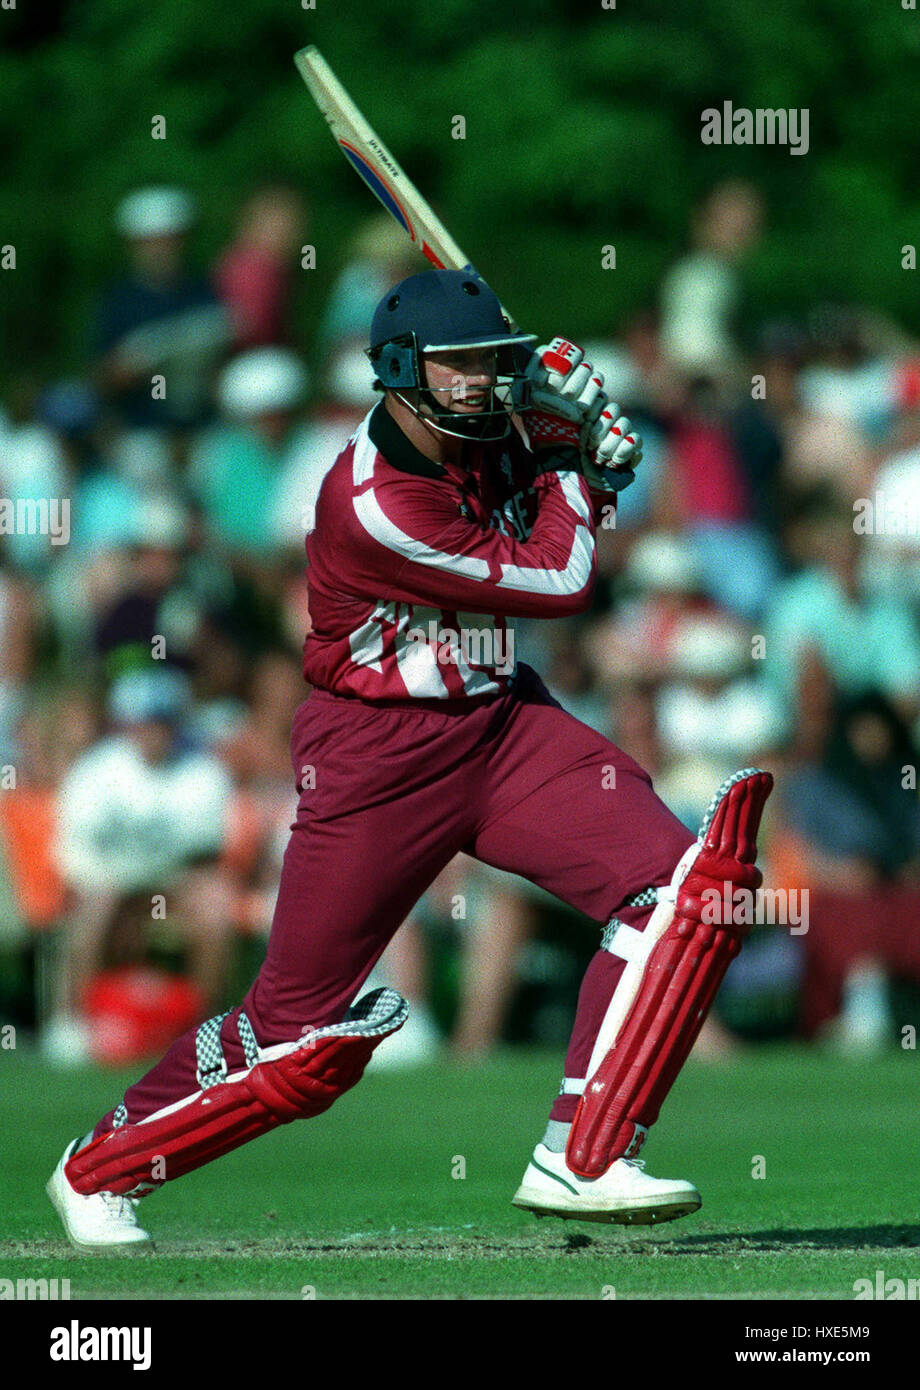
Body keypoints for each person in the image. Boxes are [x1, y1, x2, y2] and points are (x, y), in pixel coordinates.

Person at [47, 269, 771, 1252]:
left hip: (503, 723)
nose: (484, 383)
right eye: (462, 367)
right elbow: (554, 577)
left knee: (689, 888)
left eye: (493, 364)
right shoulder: (372, 499)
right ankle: (100, 1168)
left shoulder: (485, 435)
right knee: (296, 1038)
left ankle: (586, 1151)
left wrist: (593, 460)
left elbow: (558, 511)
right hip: (378, 753)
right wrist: (571, 459)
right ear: (398, 374)